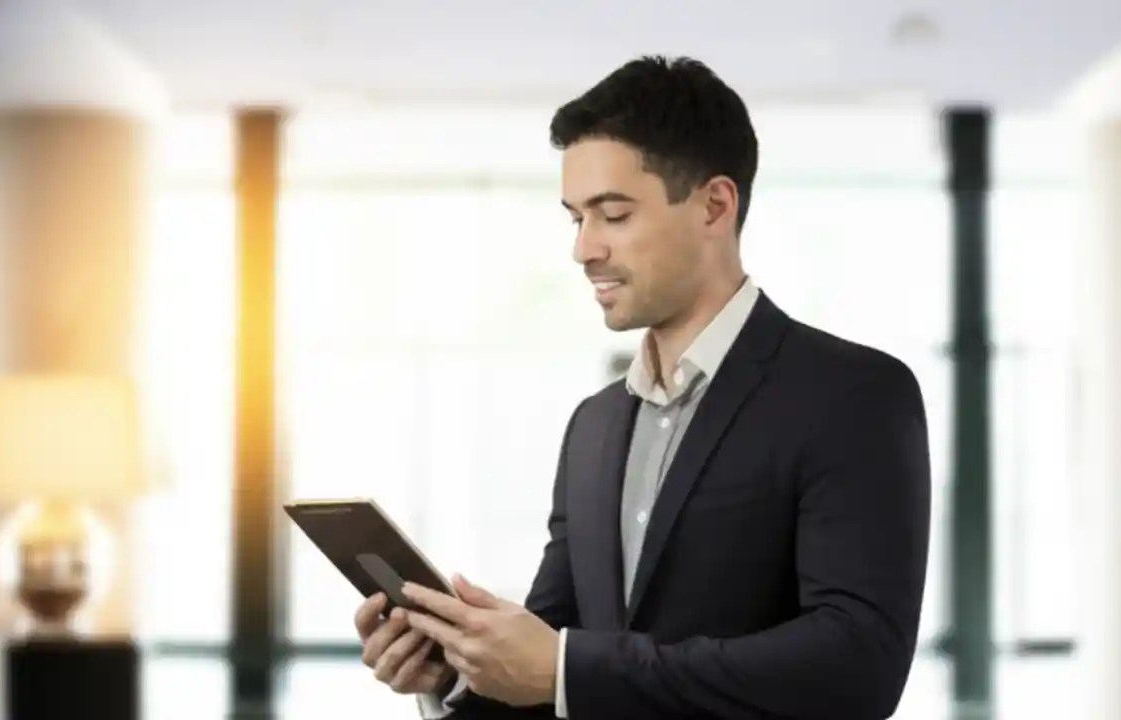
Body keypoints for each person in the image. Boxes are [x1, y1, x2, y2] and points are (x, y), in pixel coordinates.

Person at [353, 55, 931, 720]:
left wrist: (567, 668)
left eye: (614, 215)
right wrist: (456, 672)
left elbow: (857, 666)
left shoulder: (851, 394)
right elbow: (553, 672)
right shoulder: (594, 427)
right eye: (577, 218)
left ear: (715, 205)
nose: (584, 249)